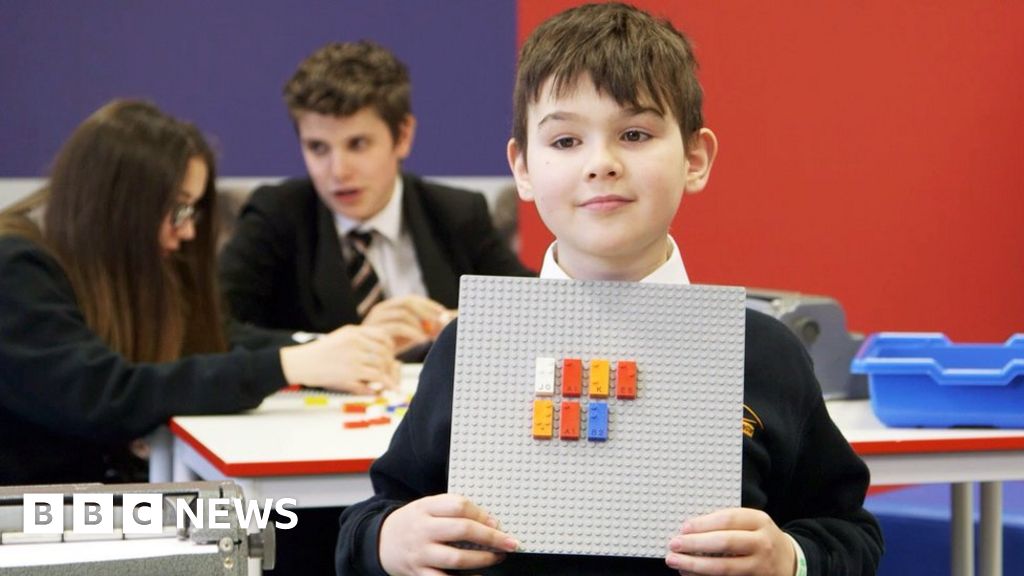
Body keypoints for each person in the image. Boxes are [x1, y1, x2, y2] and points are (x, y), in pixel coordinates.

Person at [335, 4, 883, 575]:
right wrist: (387, 542)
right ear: (523, 168)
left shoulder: (765, 353)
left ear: (695, 158)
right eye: (566, 140)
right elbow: (372, 516)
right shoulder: (474, 347)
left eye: (635, 133)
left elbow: (849, 532)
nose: (602, 163)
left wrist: (790, 559)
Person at [0, 100, 397, 486]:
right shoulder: (14, 266)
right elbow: (106, 394)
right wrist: (289, 365)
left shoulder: (104, 258)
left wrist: (326, 350)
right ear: (120, 207)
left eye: (190, 212)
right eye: (177, 210)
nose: (187, 231)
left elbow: (211, 338)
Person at [219, 41, 533, 359]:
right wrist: (336, 346)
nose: (338, 171)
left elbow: (536, 311)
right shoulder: (278, 216)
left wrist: (462, 327)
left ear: (403, 136)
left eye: (357, 144)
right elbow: (213, 327)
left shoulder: (457, 213)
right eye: (318, 148)